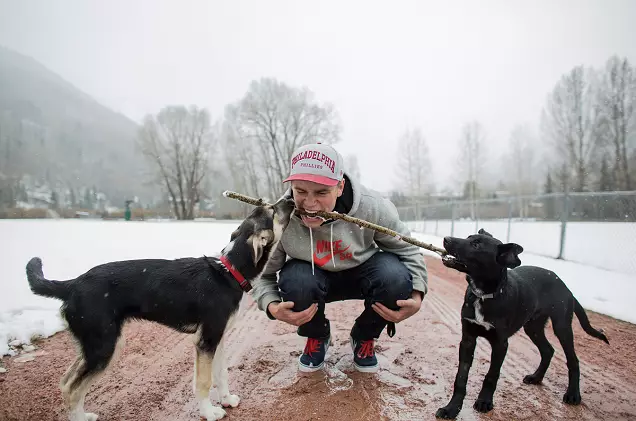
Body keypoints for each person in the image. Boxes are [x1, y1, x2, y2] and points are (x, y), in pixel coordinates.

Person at [252, 142, 428, 373]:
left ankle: (364, 336)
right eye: (301, 191)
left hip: (363, 272)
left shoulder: (373, 207)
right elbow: (261, 273)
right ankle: (317, 335)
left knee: (395, 277)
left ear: (340, 187)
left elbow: (408, 249)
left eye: (322, 192)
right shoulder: (279, 219)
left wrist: (417, 294)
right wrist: (272, 306)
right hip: (312, 276)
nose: (310, 203)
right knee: (296, 280)